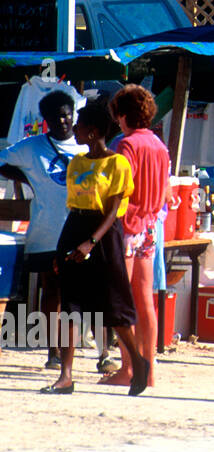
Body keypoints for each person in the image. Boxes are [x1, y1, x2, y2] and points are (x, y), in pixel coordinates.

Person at [44, 99, 149, 396]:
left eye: (79, 126)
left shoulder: (117, 163)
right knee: (70, 305)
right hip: (75, 228)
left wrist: (91, 242)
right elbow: (74, 206)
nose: (74, 130)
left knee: (114, 305)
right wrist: (63, 248)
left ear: (92, 131)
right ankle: (66, 375)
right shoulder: (77, 162)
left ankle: (138, 363)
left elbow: (114, 208)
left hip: (103, 235)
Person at [1, 91, 85, 370]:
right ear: (46, 120)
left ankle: (97, 351)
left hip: (80, 233)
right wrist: (27, 176)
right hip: (47, 231)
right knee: (52, 291)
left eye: (66, 114)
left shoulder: (86, 147)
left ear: (74, 114)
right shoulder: (31, 146)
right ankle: (53, 350)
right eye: (55, 116)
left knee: (79, 293)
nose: (62, 120)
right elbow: (3, 162)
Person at [105, 85, 170, 389]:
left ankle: (128, 368)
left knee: (122, 301)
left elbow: (120, 188)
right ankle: (151, 369)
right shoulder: (159, 145)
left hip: (128, 226)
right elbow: (167, 190)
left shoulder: (127, 145)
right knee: (146, 300)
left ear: (122, 113)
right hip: (151, 227)